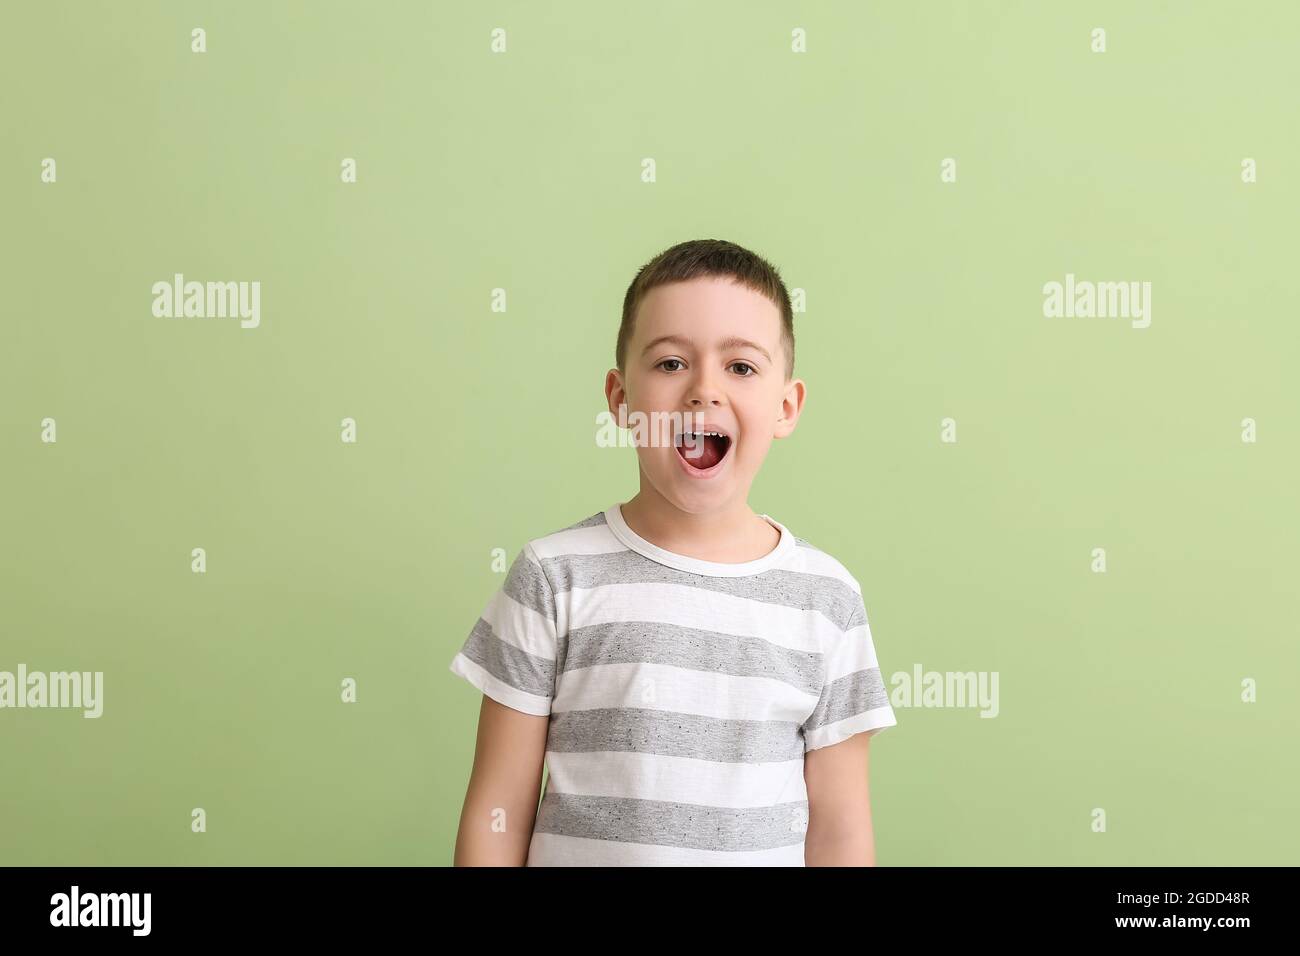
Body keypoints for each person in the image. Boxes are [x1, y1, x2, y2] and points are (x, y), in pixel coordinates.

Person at [450, 238, 897, 866]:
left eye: (740, 367)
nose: (703, 391)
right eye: (669, 364)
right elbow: (495, 815)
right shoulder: (554, 579)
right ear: (619, 398)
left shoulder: (826, 601)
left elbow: (841, 835)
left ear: (786, 406)